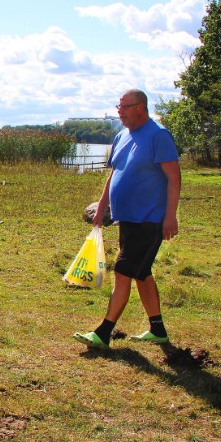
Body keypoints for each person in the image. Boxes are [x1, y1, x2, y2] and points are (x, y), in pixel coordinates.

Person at [73, 89, 181, 349]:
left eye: (124, 106)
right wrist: (101, 206)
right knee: (141, 273)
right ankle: (158, 330)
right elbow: (115, 174)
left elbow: (174, 178)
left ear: (140, 108)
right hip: (128, 219)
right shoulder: (122, 136)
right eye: (118, 106)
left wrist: (170, 216)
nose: (119, 111)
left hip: (149, 220)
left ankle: (103, 332)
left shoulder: (158, 135)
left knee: (122, 272)